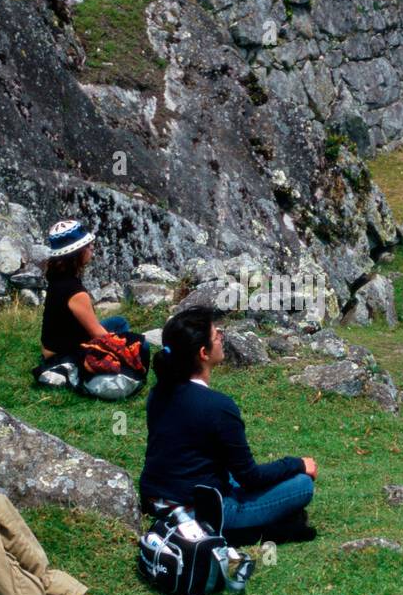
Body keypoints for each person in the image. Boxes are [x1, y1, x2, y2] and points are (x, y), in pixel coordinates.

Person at [139, 306, 318, 544]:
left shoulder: (159, 392)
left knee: (232, 477)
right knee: (302, 485)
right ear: (203, 352)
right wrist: (297, 464)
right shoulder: (219, 406)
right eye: (217, 336)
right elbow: (250, 478)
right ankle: (243, 531)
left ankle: (264, 524)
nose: (222, 338)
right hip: (200, 509)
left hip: (157, 498)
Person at [40, 219, 130, 362]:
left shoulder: (56, 277)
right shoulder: (75, 292)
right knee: (124, 333)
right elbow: (98, 334)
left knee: (118, 322)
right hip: (62, 354)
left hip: (51, 347)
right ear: (77, 252)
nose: (92, 247)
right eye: (88, 245)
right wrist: (124, 348)